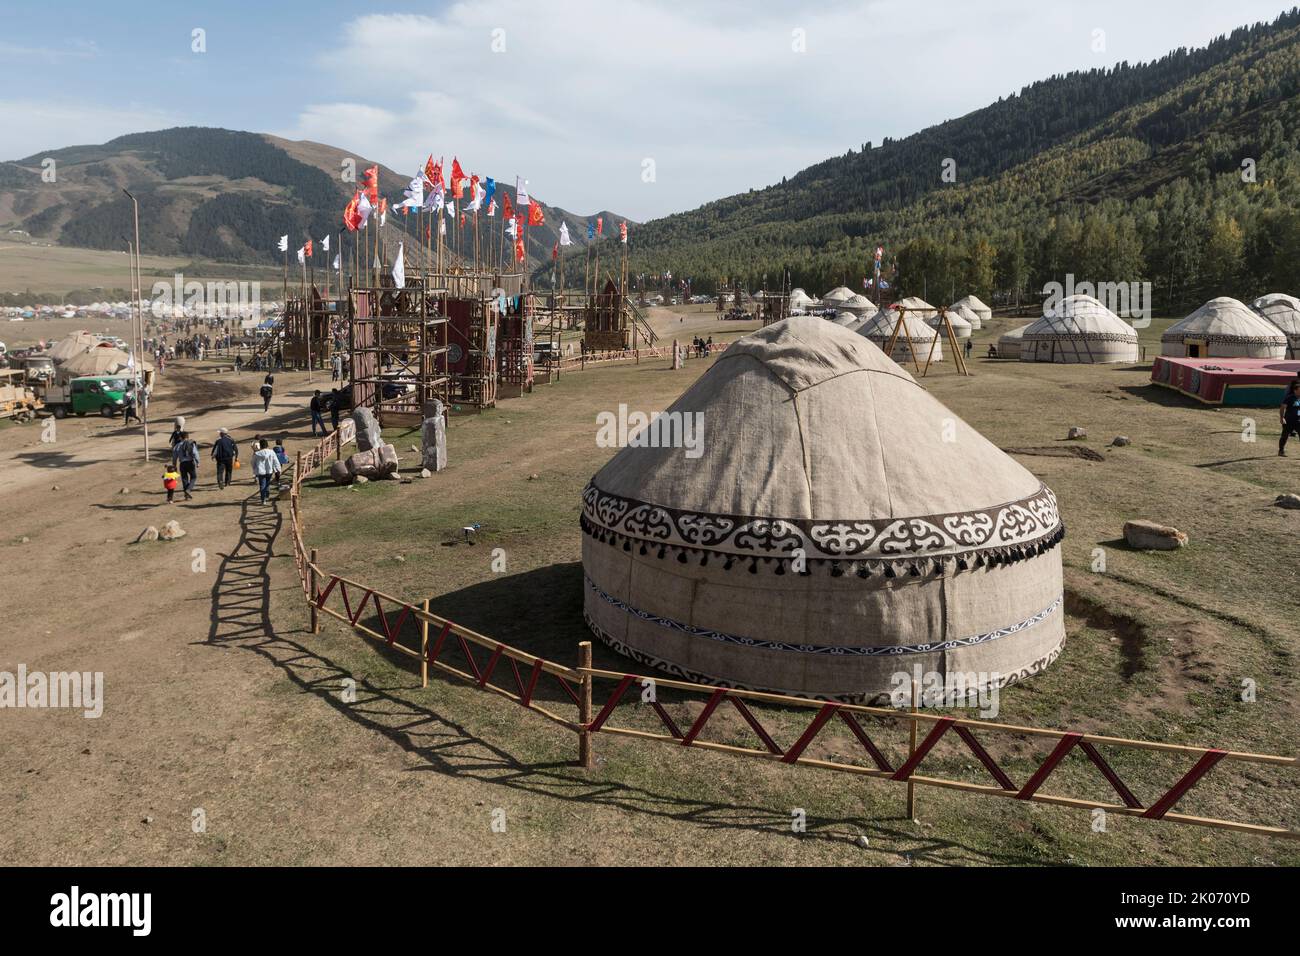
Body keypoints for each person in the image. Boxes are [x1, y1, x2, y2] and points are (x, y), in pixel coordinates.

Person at [172, 430, 200, 500]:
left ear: (180, 437)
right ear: (188, 436)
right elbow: (195, 453)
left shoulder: (177, 446)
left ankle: (186, 495)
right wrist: (197, 462)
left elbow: (174, 457)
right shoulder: (191, 443)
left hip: (182, 464)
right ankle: (188, 490)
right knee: (193, 477)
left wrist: (174, 465)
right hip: (190, 462)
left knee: (184, 479)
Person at [252, 440, 281, 504]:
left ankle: (263, 500)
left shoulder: (256, 454)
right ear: (267, 445)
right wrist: (278, 469)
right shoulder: (271, 452)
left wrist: (254, 469)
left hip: (261, 471)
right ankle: (267, 496)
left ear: (261, 446)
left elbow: (253, 462)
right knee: (267, 484)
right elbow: (276, 461)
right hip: (269, 470)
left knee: (262, 485)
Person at [1280, 381, 1300, 457]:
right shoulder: (1289, 398)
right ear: (1295, 390)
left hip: (1298, 421)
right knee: (1285, 436)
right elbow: (1282, 408)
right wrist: (1282, 418)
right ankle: (1281, 450)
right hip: (1289, 421)